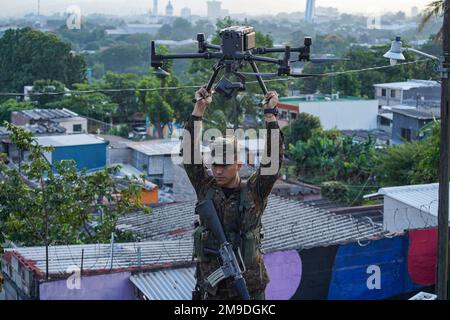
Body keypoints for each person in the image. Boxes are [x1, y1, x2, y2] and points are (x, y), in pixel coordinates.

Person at [182, 86, 284, 300]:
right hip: (211, 290)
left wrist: (270, 116)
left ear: (238, 164)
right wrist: (198, 109)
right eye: (214, 164)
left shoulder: (254, 191)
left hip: (248, 289)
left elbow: (272, 162)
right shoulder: (205, 186)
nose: (217, 170)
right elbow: (190, 152)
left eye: (225, 165)